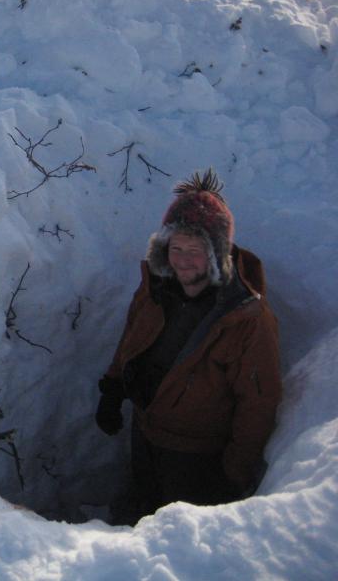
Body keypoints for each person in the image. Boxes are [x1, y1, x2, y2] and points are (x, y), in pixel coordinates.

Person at [95, 168, 282, 523]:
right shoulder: (157, 287)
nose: (181, 260)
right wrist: (114, 387)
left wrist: (233, 474)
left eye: (194, 250)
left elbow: (258, 405)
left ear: (217, 253)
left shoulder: (246, 319)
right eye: (175, 248)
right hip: (145, 430)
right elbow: (133, 335)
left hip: (194, 456)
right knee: (141, 507)